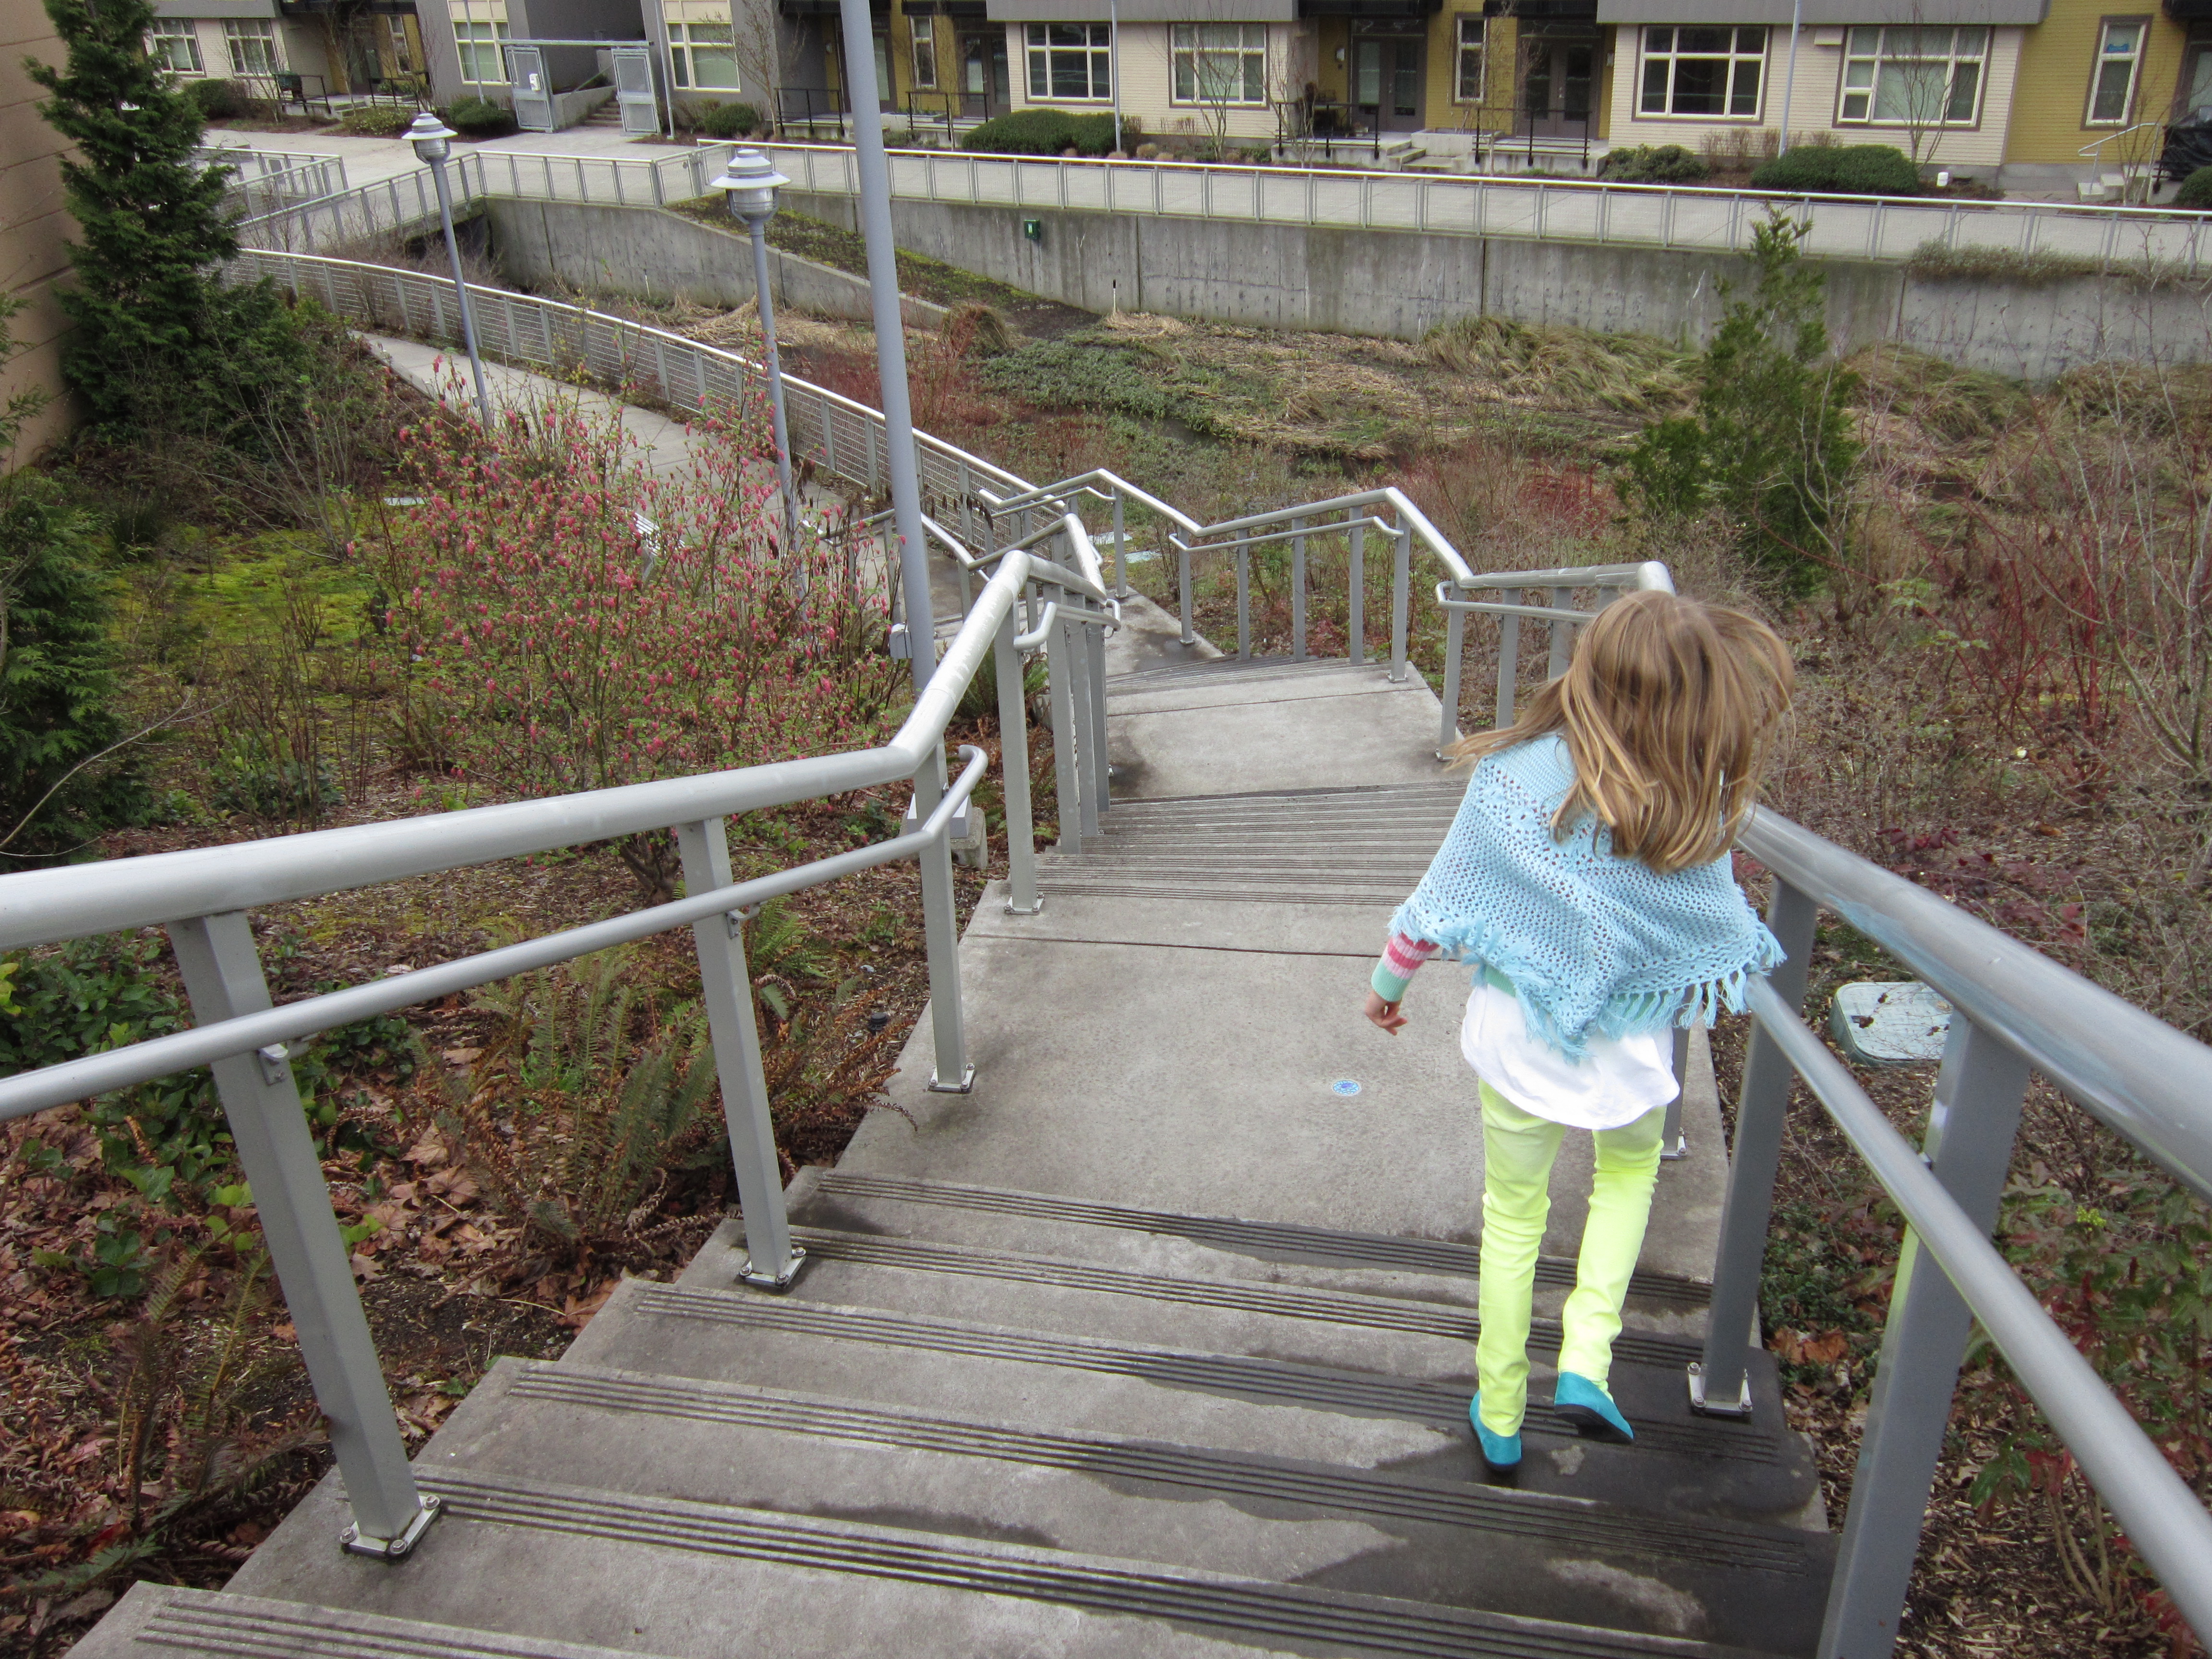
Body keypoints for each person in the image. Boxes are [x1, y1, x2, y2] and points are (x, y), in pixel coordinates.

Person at [1362, 589, 1793, 1482]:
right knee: (1628, 1175)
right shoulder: (1691, 800)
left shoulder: (1514, 776)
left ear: (1587, 674)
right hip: (1628, 1044)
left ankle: (1502, 1405)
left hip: (1522, 1039)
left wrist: (1386, 988)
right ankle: (1589, 1361)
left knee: (1515, 1217)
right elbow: (1713, 927)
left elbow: (1441, 905)